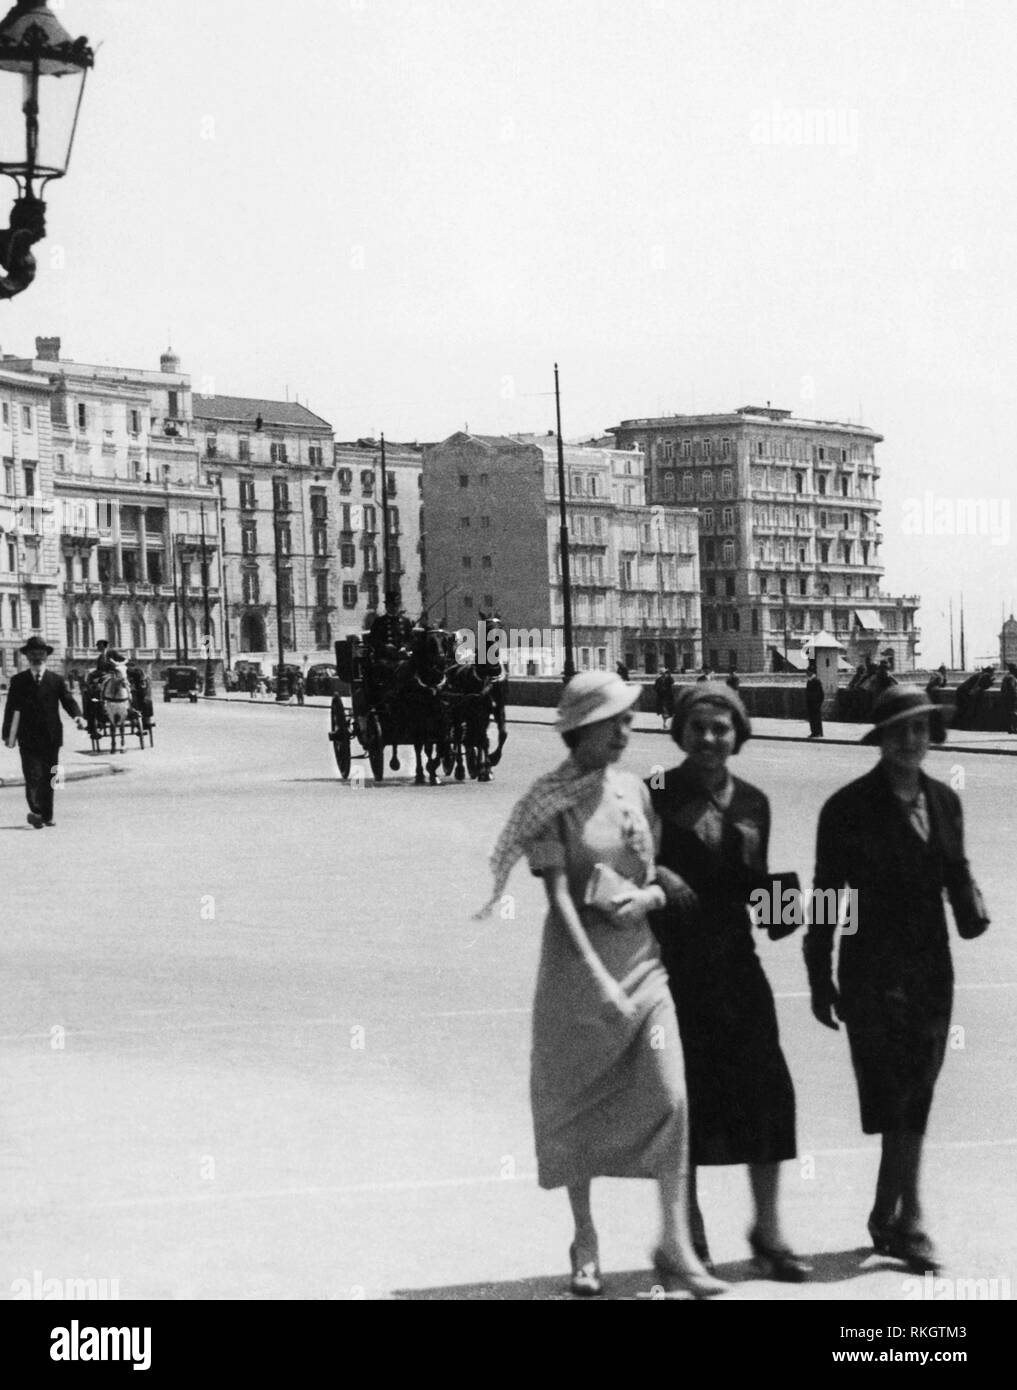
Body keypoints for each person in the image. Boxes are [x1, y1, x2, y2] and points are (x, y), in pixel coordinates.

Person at [475, 671, 727, 1299]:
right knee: (576, 1107)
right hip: (577, 977)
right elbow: (561, 900)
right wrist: (595, 978)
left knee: (673, 1100)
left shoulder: (634, 792)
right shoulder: (549, 800)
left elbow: (651, 872)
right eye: (616, 720)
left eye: (628, 718)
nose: (628, 728)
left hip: (644, 969)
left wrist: (646, 894)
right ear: (584, 728)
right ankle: (585, 1239)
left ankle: (675, 1243)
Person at [806, 686, 989, 1274]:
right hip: (870, 968)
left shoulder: (944, 799)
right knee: (897, 1094)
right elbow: (828, 897)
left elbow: (956, 866)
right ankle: (905, 1219)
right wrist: (818, 973)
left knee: (918, 1089)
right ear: (880, 738)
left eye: (921, 729)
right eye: (900, 730)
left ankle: (894, 1217)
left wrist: (970, 903)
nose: (912, 740)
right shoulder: (847, 808)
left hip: (933, 966)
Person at [647, 682, 809, 1281]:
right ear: (680, 732)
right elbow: (627, 857)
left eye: (722, 728)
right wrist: (660, 870)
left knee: (768, 1094)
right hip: (672, 967)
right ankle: (686, 1236)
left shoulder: (756, 802)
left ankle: (767, 1231)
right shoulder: (657, 791)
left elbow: (758, 888)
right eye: (699, 727)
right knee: (682, 1102)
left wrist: (796, 910)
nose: (711, 738)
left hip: (738, 965)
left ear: (739, 733)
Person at [2, 636, 84, 829]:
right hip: (27, 737)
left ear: (46, 656)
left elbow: (68, 701)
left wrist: (78, 716)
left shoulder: (56, 680)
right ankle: (36, 812)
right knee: (32, 776)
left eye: (40, 654)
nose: (37, 657)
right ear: (27, 657)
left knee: (52, 776)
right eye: (33, 654)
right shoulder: (18, 681)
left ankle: (48, 815)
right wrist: (7, 734)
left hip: (52, 737)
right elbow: (11, 708)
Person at [805, 667, 825, 739]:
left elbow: (821, 694)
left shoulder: (816, 681)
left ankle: (818, 732)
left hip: (816, 704)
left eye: (808, 672)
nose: (807, 674)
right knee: (812, 719)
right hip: (810, 703)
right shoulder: (809, 681)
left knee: (817, 719)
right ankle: (814, 732)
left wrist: (818, 703)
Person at [1000, 664, 1017, 734]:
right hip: (1012, 698)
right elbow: (1013, 688)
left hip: (1006, 697)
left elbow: (1002, 689)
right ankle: (1013, 728)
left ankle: (1010, 728)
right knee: (1014, 713)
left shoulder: (1006, 677)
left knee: (1009, 713)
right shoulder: (1012, 678)